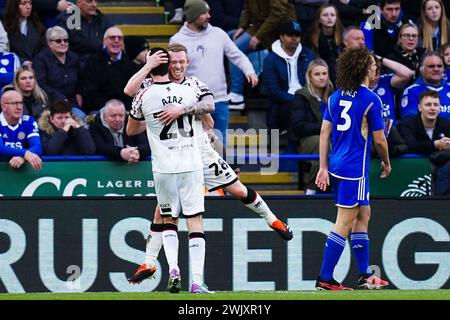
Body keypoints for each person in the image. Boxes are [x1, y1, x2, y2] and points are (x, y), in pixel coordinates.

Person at [124, 44, 293, 286]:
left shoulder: (192, 85)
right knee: (164, 212)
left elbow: (210, 114)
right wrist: (156, 120)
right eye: (174, 62)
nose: (179, 66)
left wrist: (181, 110)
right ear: (166, 63)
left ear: (188, 61)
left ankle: (272, 219)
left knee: (238, 190)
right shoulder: (153, 88)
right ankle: (152, 262)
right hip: (181, 155)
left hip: (201, 151)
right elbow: (136, 115)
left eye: (183, 61)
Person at [127, 47, 210, 294]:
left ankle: (173, 270)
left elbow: (131, 130)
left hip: (163, 168)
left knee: (168, 220)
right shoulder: (188, 91)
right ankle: (196, 281)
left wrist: (152, 120)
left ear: (152, 67)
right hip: (191, 164)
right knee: (194, 221)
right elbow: (210, 115)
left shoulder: (144, 95)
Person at [315, 47, 391, 290]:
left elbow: (325, 132)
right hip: (354, 168)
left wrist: (323, 167)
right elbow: (379, 140)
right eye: (372, 64)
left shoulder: (336, 96)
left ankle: (364, 274)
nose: (375, 68)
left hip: (337, 165)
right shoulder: (371, 99)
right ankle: (325, 278)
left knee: (363, 214)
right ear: (364, 68)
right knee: (344, 221)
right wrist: (387, 162)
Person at [170, 0, 258, 145]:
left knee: (219, 147)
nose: (208, 16)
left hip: (219, 102)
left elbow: (237, 55)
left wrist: (249, 71)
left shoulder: (218, 34)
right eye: (204, 13)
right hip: (194, 104)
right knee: (197, 148)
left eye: (208, 12)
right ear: (193, 16)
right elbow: (174, 73)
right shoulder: (177, 40)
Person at [227, 0, 296, 110]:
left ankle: (287, 94)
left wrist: (259, 36)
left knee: (279, 61)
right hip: (259, 27)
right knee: (234, 49)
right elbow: (247, 8)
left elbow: (278, 13)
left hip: (281, 29)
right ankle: (236, 94)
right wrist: (242, 27)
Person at [262, 21, 316, 134]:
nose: (294, 38)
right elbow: (273, 91)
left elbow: (314, 81)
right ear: (281, 37)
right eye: (290, 34)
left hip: (306, 98)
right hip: (282, 104)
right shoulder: (270, 59)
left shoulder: (309, 54)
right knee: (294, 109)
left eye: (297, 35)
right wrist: (297, 99)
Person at [290, 58, 334, 194]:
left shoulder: (335, 96)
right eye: (317, 74)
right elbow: (299, 125)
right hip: (308, 140)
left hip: (333, 137)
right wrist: (324, 129)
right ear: (309, 76)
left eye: (324, 74)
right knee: (323, 145)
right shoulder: (301, 96)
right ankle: (311, 189)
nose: (322, 77)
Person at [82, 26, 134, 113]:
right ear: (104, 41)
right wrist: (108, 109)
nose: (116, 41)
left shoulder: (130, 63)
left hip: (124, 110)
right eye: (112, 38)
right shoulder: (92, 62)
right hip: (99, 109)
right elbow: (91, 92)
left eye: (120, 38)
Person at [33, 26, 83, 113]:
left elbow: (80, 79)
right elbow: (41, 84)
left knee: (81, 119)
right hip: (50, 103)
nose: (63, 43)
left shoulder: (74, 58)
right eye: (58, 41)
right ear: (49, 43)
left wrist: (79, 94)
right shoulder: (40, 59)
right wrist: (61, 98)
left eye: (65, 40)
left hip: (72, 102)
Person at [89, 99, 150, 163]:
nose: (117, 119)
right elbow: (100, 148)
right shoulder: (95, 127)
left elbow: (146, 145)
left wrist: (137, 152)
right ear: (105, 116)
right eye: (113, 116)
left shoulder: (131, 124)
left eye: (121, 115)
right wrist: (121, 153)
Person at [56, 0, 112, 68]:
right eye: (89, 1)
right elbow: (61, 50)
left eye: (96, 1)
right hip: (76, 68)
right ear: (78, 3)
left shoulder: (102, 19)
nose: (94, 5)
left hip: (100, 66)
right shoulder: (66, 20)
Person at [400, 51, 450, 119]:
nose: (436, 69)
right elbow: (410, 121)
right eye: (431, 66)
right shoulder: (412, 91)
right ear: (421, 70)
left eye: (439, 66)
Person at [0, 89, 42, 170]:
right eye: (14, 103)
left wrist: (22, 157)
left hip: (19, 168)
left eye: (21, 103)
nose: (19, 107)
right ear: (3, 107)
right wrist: (25, 153)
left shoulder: (28, 121)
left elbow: (37, 147)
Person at [398, 90, 450, 155]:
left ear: (440, 108)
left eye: (436, 105)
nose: (432, 108)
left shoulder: (447, 124)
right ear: (419, 107)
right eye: (428, 105)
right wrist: (435, 144)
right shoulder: (406, 125)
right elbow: (410, 146)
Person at [304, 3, 344, 83]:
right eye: (325, 15)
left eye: (332, 15)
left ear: (336, 18)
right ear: (319, 19)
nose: (329, 18)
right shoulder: (310, 37)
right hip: (319, 75)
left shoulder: (343, 34)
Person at [3, 0, 45, 64]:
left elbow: (43, 49)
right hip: (15, 68)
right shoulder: (5, 27)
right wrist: (23, 62)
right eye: (23, 3)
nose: (28, 7)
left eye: (30, 3)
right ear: (14, 6)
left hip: (37, 67)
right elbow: (5, 51)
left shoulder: (37, 26)